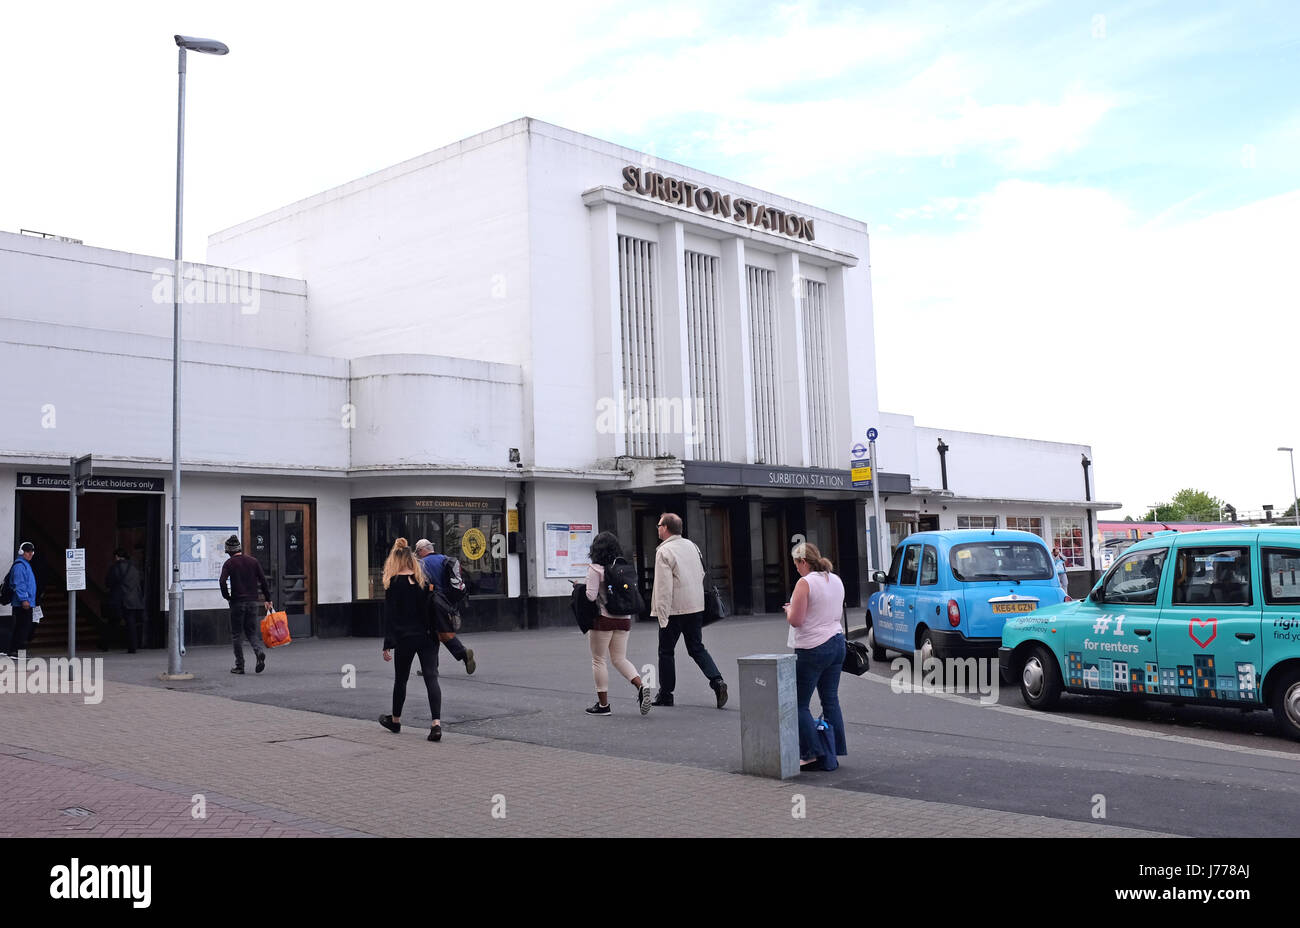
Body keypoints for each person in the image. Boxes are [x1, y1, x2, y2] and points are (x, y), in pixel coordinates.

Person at [649, 513, 727, 709]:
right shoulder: (693, 546)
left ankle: (666, 694)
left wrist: (662, 613)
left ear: (665, 528)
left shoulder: (664, 551)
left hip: (674, 609)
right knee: (696, 648)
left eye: (659, 525)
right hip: (696, 606)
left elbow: (664, 587)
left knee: (666, 651)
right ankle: (717, 681)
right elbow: (701, 572)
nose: (657, 528)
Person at [783, 541, 847, 771]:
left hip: (812, 648)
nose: (796, 569)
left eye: (796, 564)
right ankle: (834, 748)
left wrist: (789, 609)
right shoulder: (835, 579)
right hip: (837, 643)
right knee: (830, 700)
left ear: (803, 562)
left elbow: (796, 620)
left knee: (799, 703)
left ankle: (810, 753)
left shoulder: (805, 583)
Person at [583, 531, 653, 716]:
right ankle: (641, 685)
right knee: (620, 658)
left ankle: (604, 705)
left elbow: (590, 596)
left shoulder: (595, 569)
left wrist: (579, 586)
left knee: (599, 660)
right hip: (624, 620)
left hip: (603, 619)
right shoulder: (623, 567)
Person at [379, 538, 443, 742]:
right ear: (412, 560)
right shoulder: (422, 581)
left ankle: (396, 720)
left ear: (395, 561)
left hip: (405, 638)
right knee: (431, 678)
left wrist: (388, 643)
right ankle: (436, 724)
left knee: (401, 679)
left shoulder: (393, 584)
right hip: (427, 636)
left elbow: (390, 617)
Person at [413, 539, 475, 675]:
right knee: (435, 634)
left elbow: (420, 586)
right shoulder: (444, 559)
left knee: (436, 634)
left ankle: (462, 652)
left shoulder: (421, 563)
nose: (417, 554)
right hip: (447, 602)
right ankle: (431, 667)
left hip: (432, 603)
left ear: (423, 550)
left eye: (417, 552)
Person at [218, 535, 272, 674]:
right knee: (251, 632)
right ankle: (259, 652)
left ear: (229, 551)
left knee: (237, 635)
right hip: (253, 602)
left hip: (237, 602)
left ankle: (239, 666)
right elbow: (263, 581)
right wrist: (268, 598)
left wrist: (227, 597)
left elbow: (222, 581)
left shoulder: (229, 564)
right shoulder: (253, 561)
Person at [103, 548, 145, 653]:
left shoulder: (115, 568)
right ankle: (133, 647)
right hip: (133, 600)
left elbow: (108, 583)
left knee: (112, 622)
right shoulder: (134, 568)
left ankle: (105, 645)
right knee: (131, 623)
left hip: (119, 599)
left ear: (117, 556)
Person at [5, 542, 37, 658]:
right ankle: (16, 651)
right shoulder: (20, 566)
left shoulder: (25, 564)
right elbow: (19, 584)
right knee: (22, 628)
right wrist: (24, 599)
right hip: (22, 603)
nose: (30, 554)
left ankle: (15, 651)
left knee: (23, 627)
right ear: (22, 552)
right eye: (28, 552)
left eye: (31, 552)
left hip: (26, 602)